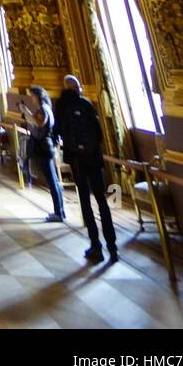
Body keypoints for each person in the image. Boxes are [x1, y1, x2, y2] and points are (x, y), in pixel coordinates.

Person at [55, 75, 119, 264]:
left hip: (77, 162)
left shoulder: (62, 107)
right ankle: (113, 247)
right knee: (102, 202)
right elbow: (99, 133)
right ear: (78, 88)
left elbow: (58, 131)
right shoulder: (87, 105)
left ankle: (95, 246)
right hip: (93, 159)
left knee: (85, 202)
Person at [20, 85, 65, 222]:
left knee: (52, 181)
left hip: (45, 147)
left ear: (38, 96)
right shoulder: (43, 109)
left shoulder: (43, 109)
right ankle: (59, 211)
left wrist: (25, 111)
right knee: (53, 181)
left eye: (32, 96)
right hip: (45, 146)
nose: (31, 98)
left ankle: (59, 212)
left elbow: (39, 123)